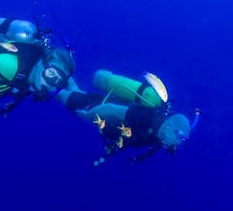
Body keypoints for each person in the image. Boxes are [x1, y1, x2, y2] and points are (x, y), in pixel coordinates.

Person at [59, 69, 199, 164]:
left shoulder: (158, 137)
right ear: (169, 127)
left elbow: (133, 137)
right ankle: (50, 75)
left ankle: (62, 74)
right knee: (68, 99)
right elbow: (110, 108)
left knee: (76, 94)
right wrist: (88, 115)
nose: (176, 145)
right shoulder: (146, 119)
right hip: (100, 106)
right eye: (179, 139)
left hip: (103, 116)